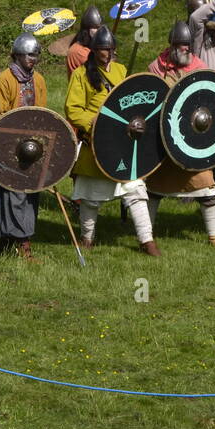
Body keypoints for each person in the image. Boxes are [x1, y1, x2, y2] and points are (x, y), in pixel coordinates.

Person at [65, 26, 161, 256]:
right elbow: (73, 109)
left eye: (110, 49)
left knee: (135, 189)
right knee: (90, 197)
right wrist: (97, 125)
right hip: (96, 144)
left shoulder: (121, 70)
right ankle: (87, 238)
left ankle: (146, 240)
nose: (107, 53)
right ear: (94, 50)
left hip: (123, 142)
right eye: (102, 49)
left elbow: (131, 100)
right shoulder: (81, 74)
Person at [144, 22, 215, 248]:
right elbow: (150, 99)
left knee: (207, 186)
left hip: (193, 141)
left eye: (188, 46)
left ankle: (214, 236)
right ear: (171, 46)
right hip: (165, 140)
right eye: (181, 46)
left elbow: (211, 98)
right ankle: (146, 235)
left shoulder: (199, 67)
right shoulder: (156, 68)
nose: (185, 50)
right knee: (154, 190)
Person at [0, 33, 48, 258]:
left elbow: (41, 114)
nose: (33, 59)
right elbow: (1, 115)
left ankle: (23, 240)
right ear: (18, 55)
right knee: (8, 193)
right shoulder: (4, 79)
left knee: (29, 193)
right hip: (8, 144)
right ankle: (7, 238)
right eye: (29, 55)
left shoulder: (39, 80)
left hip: (32, 147)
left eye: (36, 55)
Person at [67, 5, 104, 76]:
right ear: (86, 30)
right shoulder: (77, 51)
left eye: (100, 28)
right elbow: (101, 69)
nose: (99, 31)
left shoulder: (93, 46)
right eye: (95, 28)